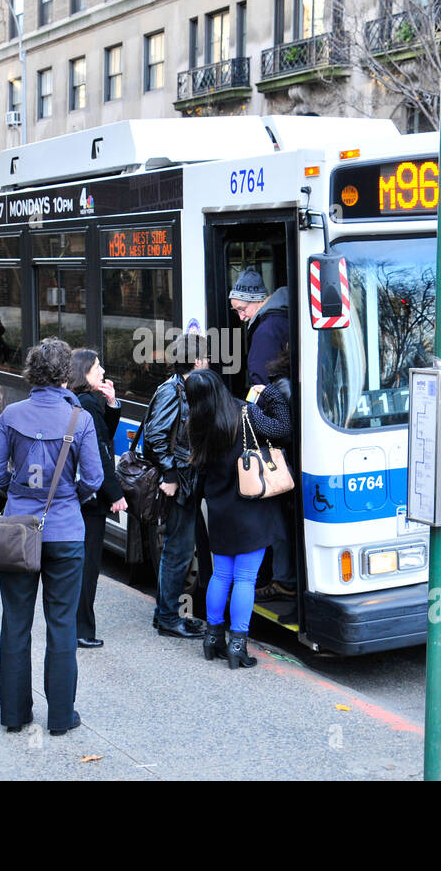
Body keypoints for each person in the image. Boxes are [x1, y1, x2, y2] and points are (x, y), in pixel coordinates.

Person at [0, 337, 102, 736]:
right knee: (62, 625)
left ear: (32, 371)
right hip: (66, 532)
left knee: (15, 622)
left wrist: (19, 493)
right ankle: (61, 717)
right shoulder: (79, 418)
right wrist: (71, 497)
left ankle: (15, 715)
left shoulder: (12, 413)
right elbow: (95, 478)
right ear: (67, 374)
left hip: (18, 531)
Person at [185, 368, 288, 669]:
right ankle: (238, 644)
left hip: (219, 510)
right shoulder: (245, 413)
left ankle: (212, 637)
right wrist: (269, 394)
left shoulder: (196, 423)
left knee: (221, 575)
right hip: (249, 507)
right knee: (245, 578)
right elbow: (282, 428)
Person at [143, 332, 211, 639]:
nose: (209, 363)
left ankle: (165, 615)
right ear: (196, 362)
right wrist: (170, 477)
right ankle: (169, 618)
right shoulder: (173, 391)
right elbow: (155, 437)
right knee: (177, 551)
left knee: (179, 549)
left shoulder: (184, 388)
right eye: (206, 358)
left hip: (186, 479)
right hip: (179, 483)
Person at [70, 348, 128, 649]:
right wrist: (116, 495)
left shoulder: (87, 403)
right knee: (86, 564)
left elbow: (104, 438)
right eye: (96, 368)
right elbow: (101, 456)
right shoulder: (86, 406)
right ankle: (82, 630)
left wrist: (112, 404)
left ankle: (78, 626)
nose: (103, 370)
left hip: (81, 496)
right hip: (90, 499)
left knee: (82, 563)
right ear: (84, 374)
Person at [251, 346, 297, 603]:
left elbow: (281, 430)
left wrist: (251, 412)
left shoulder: (278, 388)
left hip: (279, 469)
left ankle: (284, 579)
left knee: (279, 525)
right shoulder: (288, 385)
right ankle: (284, 577)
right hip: (287, 467)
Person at [229, 268, 290, 389]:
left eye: (242, 309)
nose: (241, 317)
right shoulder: (280, 319)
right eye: (237, 312)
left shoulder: (265, 331)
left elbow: (261, 382)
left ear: (257, 300)